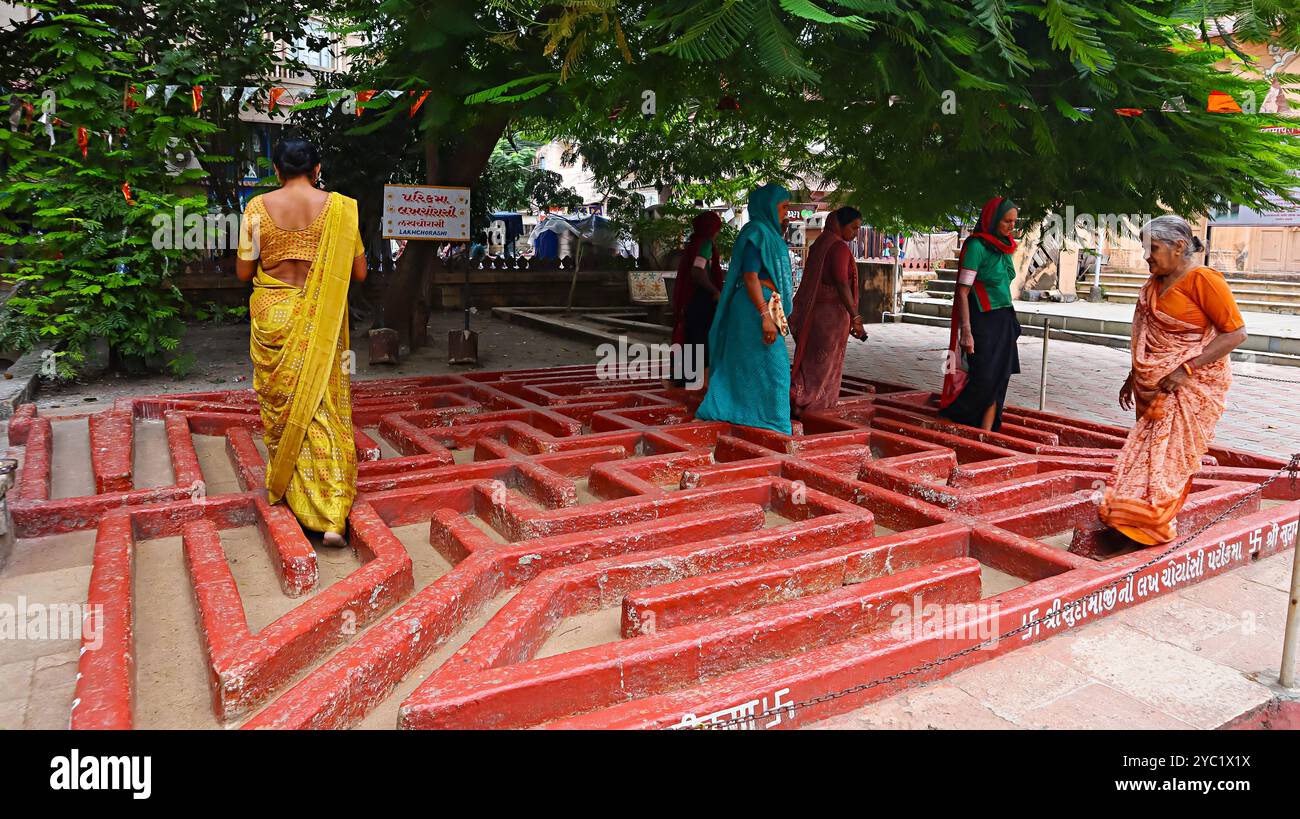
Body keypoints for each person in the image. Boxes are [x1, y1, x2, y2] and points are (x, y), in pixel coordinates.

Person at [235, 138, 367, 547]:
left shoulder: (257, 209)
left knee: (285, 407)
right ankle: (330, 517)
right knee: (323, 407)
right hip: (320, 322)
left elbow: (243, 272)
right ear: (318, 167)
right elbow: (359, 273)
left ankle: (293, 494)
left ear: (276, 170)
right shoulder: (341, 210)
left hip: (273, 317)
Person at [1100, 215, 1248, 545]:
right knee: (1146, 457)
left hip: (1189, 388)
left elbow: (1236, 333)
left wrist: (1186, 370)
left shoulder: (1203, 280)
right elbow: (1147, 338)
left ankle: (1148, 529)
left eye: (1152, 248)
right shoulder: (1154, 285)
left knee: (1169, 461)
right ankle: (1129, 520)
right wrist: (1133, 375)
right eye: (1145, 249)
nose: (1146, 256)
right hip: (1152, 387)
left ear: (1178, 246)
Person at [695, 183, 795, 434]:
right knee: (776, 366)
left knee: (754, 362)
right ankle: (773, 421)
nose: (787, 213)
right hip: (755, 304)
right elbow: (750, 276)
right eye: (783, 207)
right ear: (768, 207)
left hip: (769, 301)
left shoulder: (770, 234)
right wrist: (764, 315)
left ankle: (752, 414)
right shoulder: (757, 233)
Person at [938, 197, 1021, 431]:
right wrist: (966, 331)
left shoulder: (1005, 246)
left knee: (1000, 379)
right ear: (993, 220)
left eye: (1014, 221)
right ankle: (949, 418)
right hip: (982, 319)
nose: (1011, 226)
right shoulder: (976, 246)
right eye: (1006, 221)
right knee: (984, 380)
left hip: (1004, 317)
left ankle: (987, 434)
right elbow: (962, 292)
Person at [790, 207, 867, 417]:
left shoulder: (820, 244)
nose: (855, 233)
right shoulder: (838, 247)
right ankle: (813, 405)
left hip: (817, 314)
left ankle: (800, 401)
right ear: (840, 225)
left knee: (812, 363)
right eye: (853, 227)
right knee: (824, 365)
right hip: (831, 317)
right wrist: (856, 317)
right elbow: (842, 283)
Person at [669, 211, 724, 387]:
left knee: (690, 337)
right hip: (700, 298)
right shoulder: (705, 244)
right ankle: (695, 378)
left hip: (691, 297)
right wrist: (715, 291)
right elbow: (697, 271)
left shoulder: (693, 243)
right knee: (699, 338)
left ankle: (684, 376)